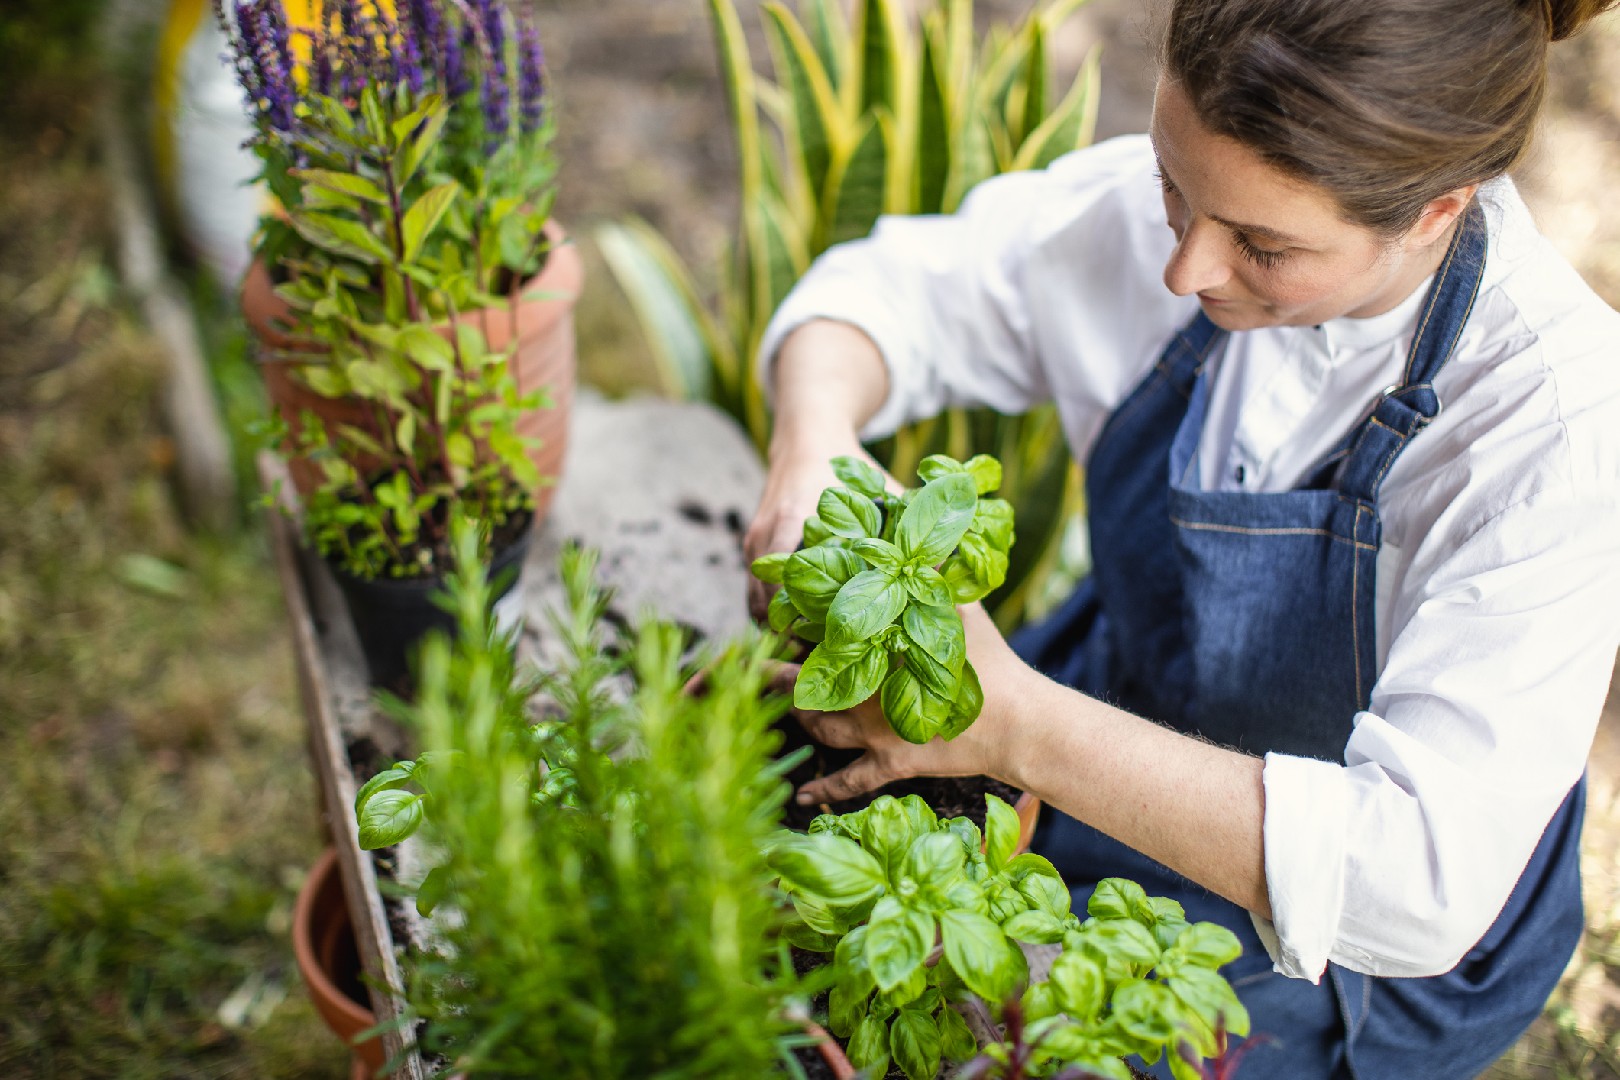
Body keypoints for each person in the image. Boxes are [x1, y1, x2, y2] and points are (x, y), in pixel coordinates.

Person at [743, 0, 1620, 1075]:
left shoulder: (1557, 428)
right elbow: (883, 297)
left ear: (1437, 211)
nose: (1186, 270)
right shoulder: (1182, 216)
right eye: (1174, 188)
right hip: (1103, 716)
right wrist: (812, 442)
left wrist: (1013, 724)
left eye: (1263, 245)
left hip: (1343, 951)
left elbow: (1410, 882)